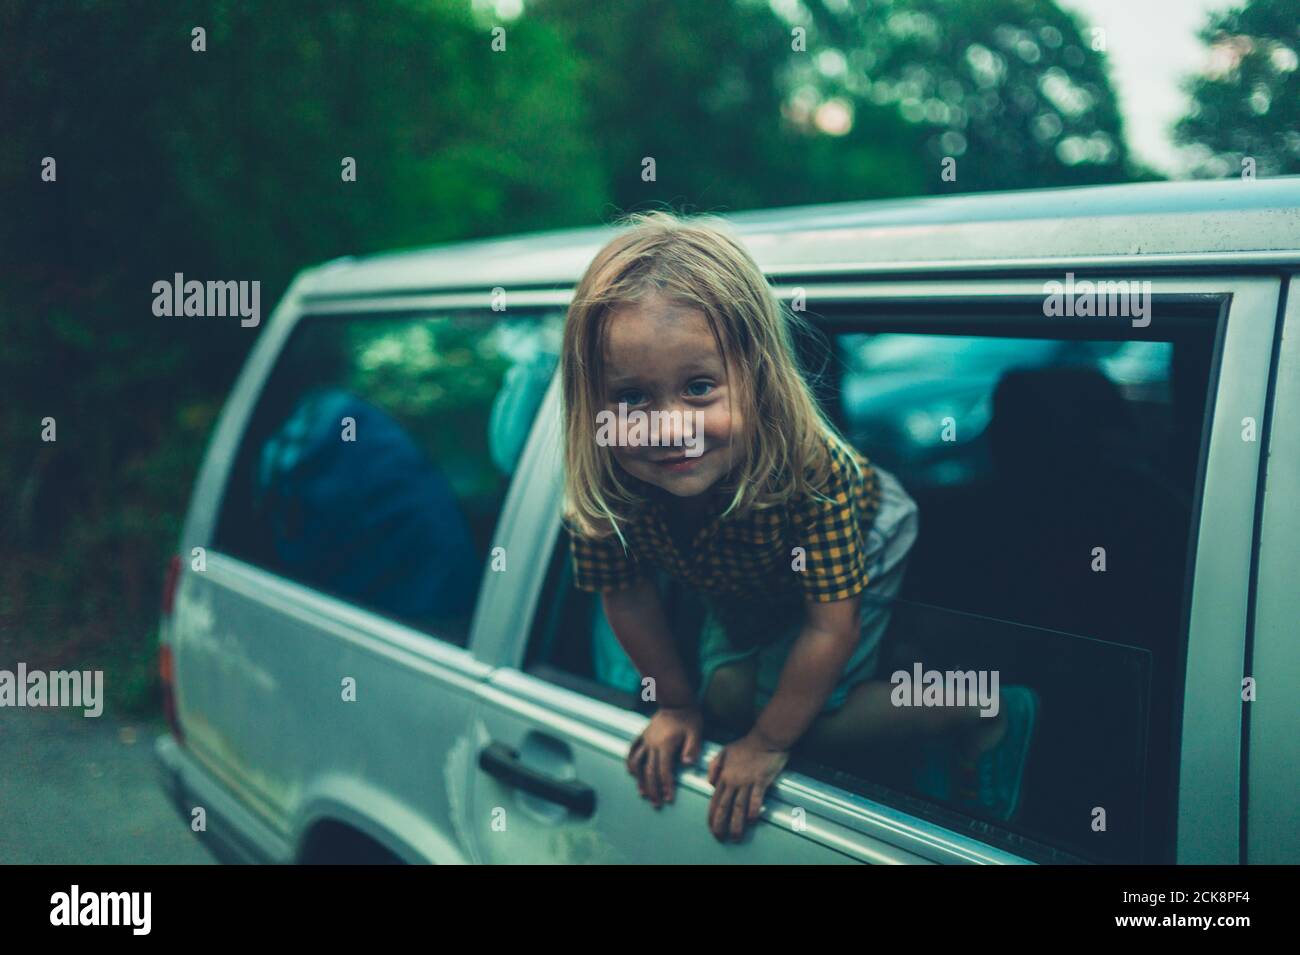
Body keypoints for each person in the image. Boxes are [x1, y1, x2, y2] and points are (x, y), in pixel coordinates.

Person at [560, 210, 1037, 842]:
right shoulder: (604, 484)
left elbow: (828, 625)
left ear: (756, 378)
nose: (667, 427)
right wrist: (674, 704)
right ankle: (896, 666)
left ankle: (980, 708)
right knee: (720, 697)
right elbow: (627, 596)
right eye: (631, 398)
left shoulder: (816, 478)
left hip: (869, 535)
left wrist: (766, 742)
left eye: (699, 388)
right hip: (744, 575)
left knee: (804, 715)